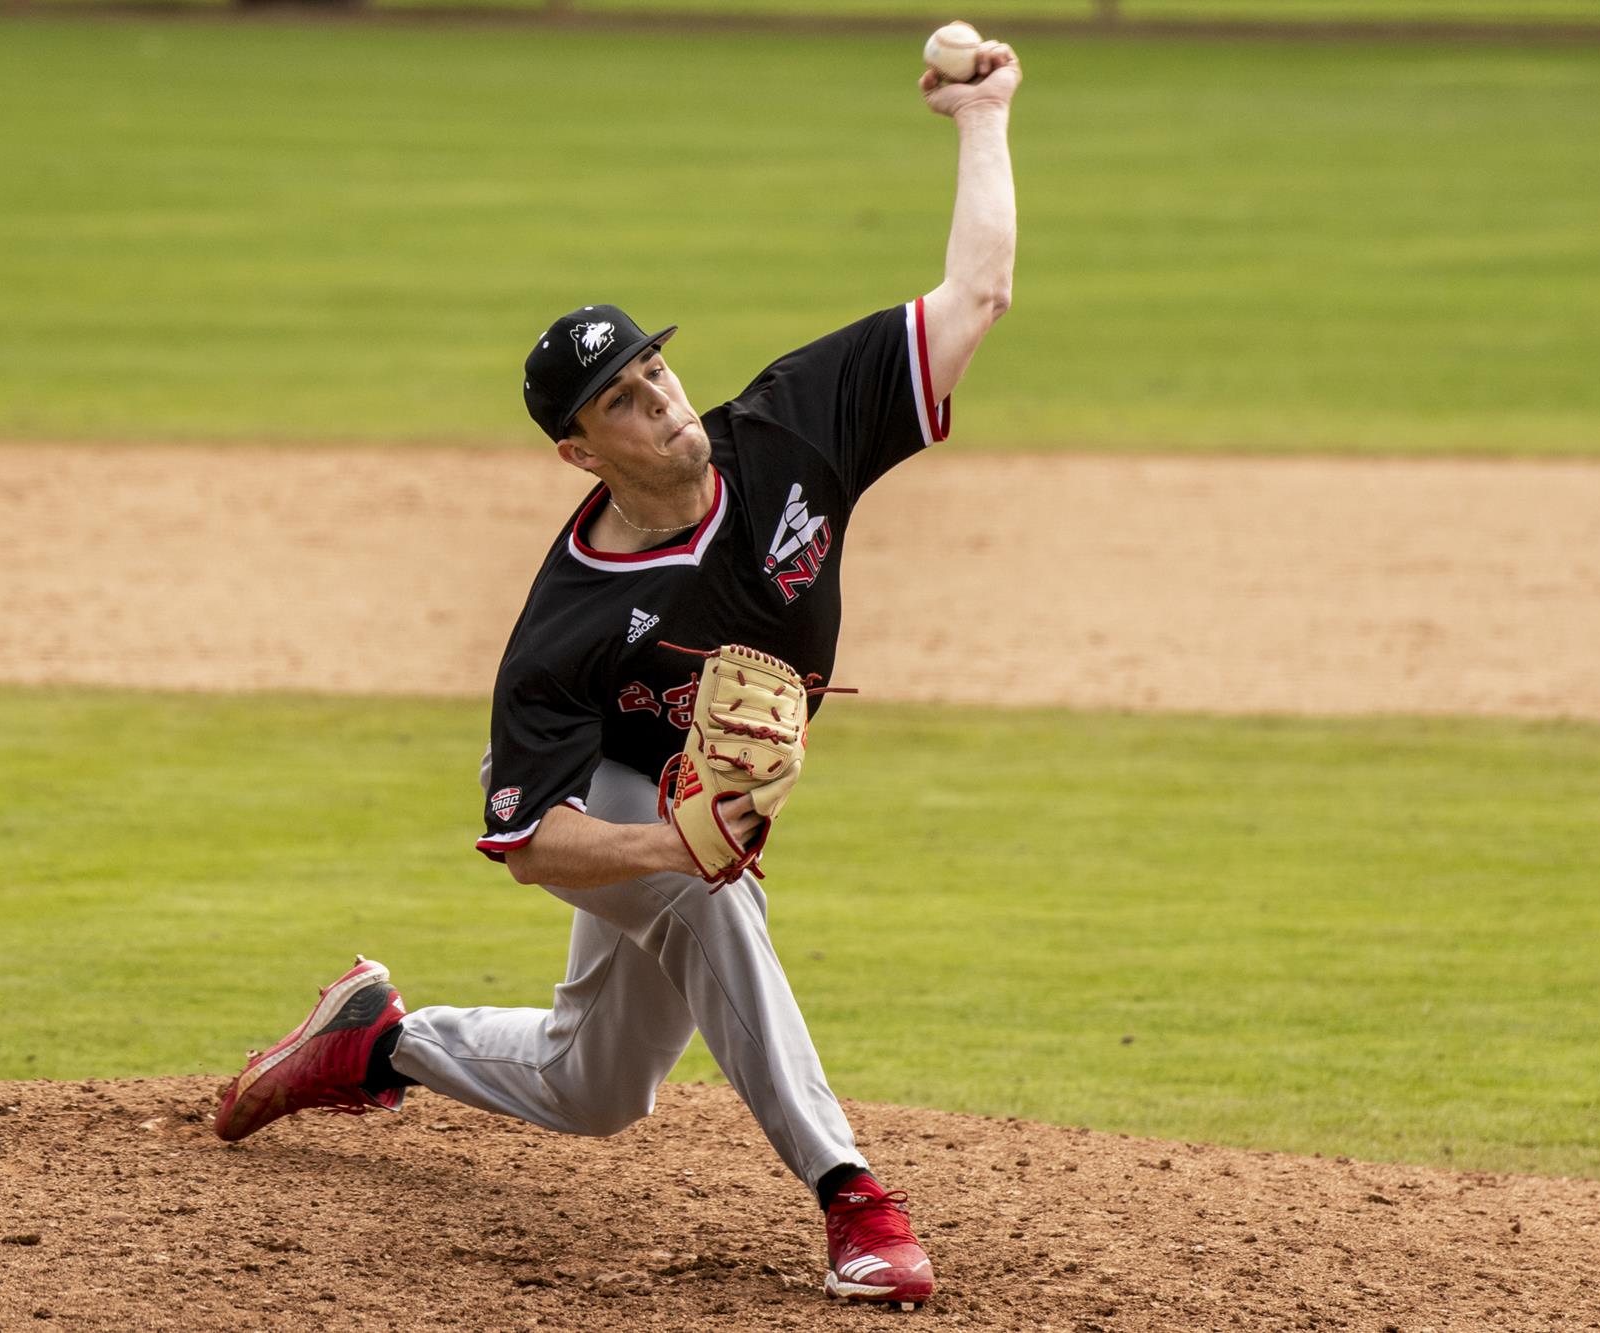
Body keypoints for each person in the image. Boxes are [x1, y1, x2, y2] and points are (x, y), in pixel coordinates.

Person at [214, 38, 1021, 1312]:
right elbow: (528, 839)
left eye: (654, 370)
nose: (659, 399)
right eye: (622, 400)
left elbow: (974, 296)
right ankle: (854, 1197)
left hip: (680, 803)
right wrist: (671, 845)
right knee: (705, 888)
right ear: (578, 452)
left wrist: (981, 117)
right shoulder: (568, 622)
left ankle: (377, 1039)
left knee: (595, 1086)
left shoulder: (791, 429)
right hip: (613, 798)